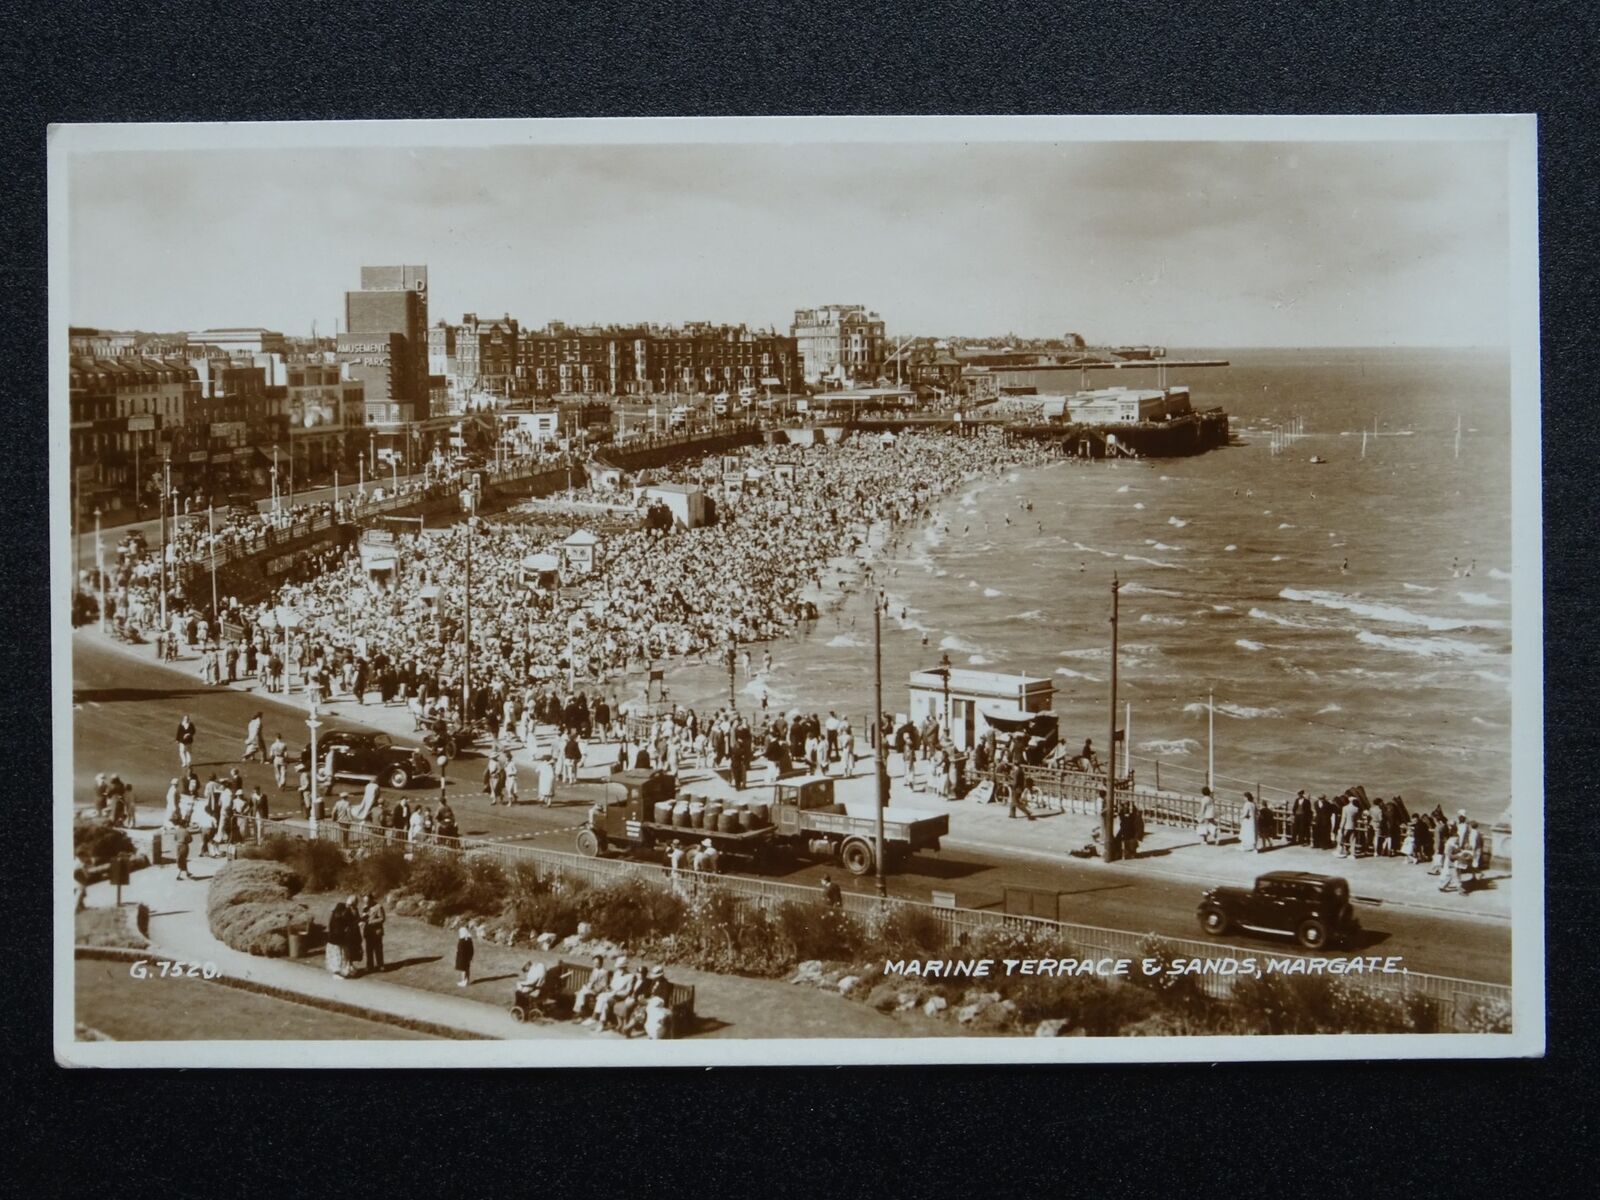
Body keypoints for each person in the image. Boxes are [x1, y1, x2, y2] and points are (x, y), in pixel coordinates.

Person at [326, 900, 357, 978]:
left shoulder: (335, 917)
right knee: (339, 957)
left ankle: (339, 972)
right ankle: (337, 973)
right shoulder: (338, 919)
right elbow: (338, 931)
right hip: (337, 941)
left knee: (339, 957)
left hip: (334, 941)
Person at [361, 894, 386, 972]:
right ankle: (369, 966)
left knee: (378, 949)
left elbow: (382, 918)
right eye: (365, 901)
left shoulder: (378, 907)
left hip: (376, 932)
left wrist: (371, 922)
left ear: (371, 900)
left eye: (367, 901)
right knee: (369, 950)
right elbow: (363, 917)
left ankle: (380, 965)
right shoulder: (364, 907)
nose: (366, 903)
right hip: (368, 931)